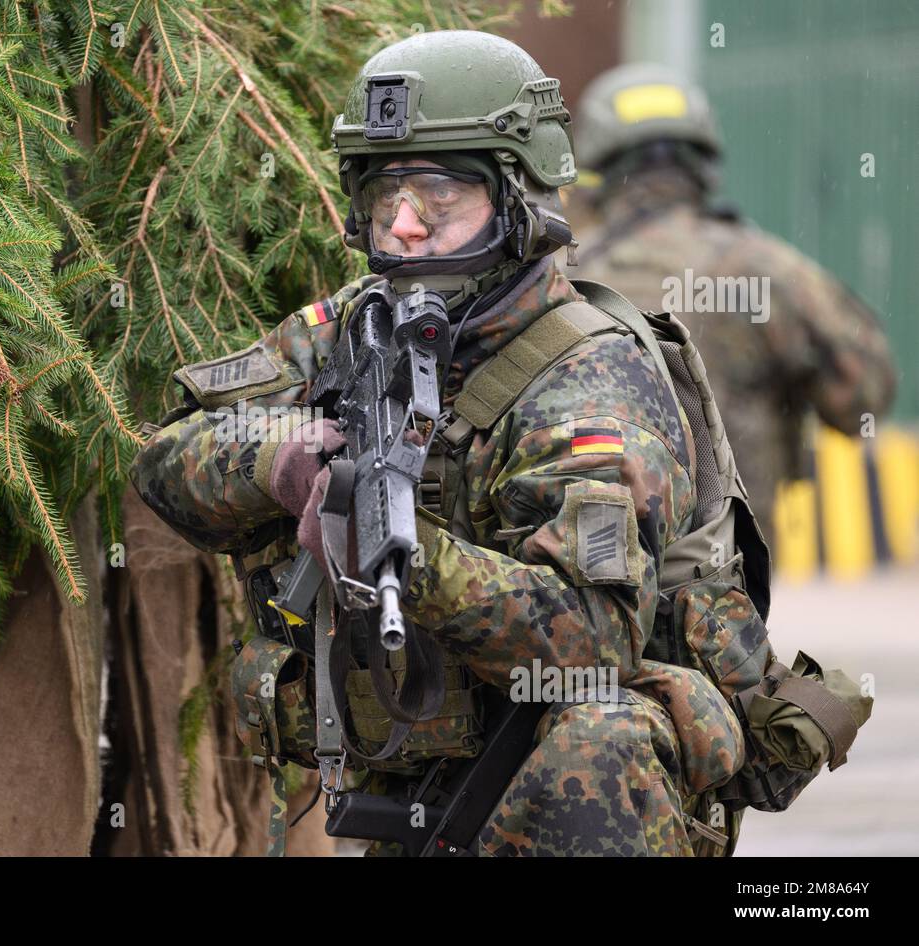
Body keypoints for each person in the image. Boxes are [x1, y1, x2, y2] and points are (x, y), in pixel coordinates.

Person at [129, 30, 743, 856]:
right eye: (387, 197)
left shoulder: (590, 379)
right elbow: (164, 458)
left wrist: (407, 559)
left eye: (440, 197)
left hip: (555, 785)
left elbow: (589, 640)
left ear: (518, 196)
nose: (406, 227)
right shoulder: (354, 323)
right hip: (395, 781)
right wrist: (280, 461)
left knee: (606, 732)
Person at [569, 62, 896, 549]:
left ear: (597, 167)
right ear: (703, 164)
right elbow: (862, 396)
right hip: (727, 577)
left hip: (581, 566)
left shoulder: (560, 272)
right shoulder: (765, 268)